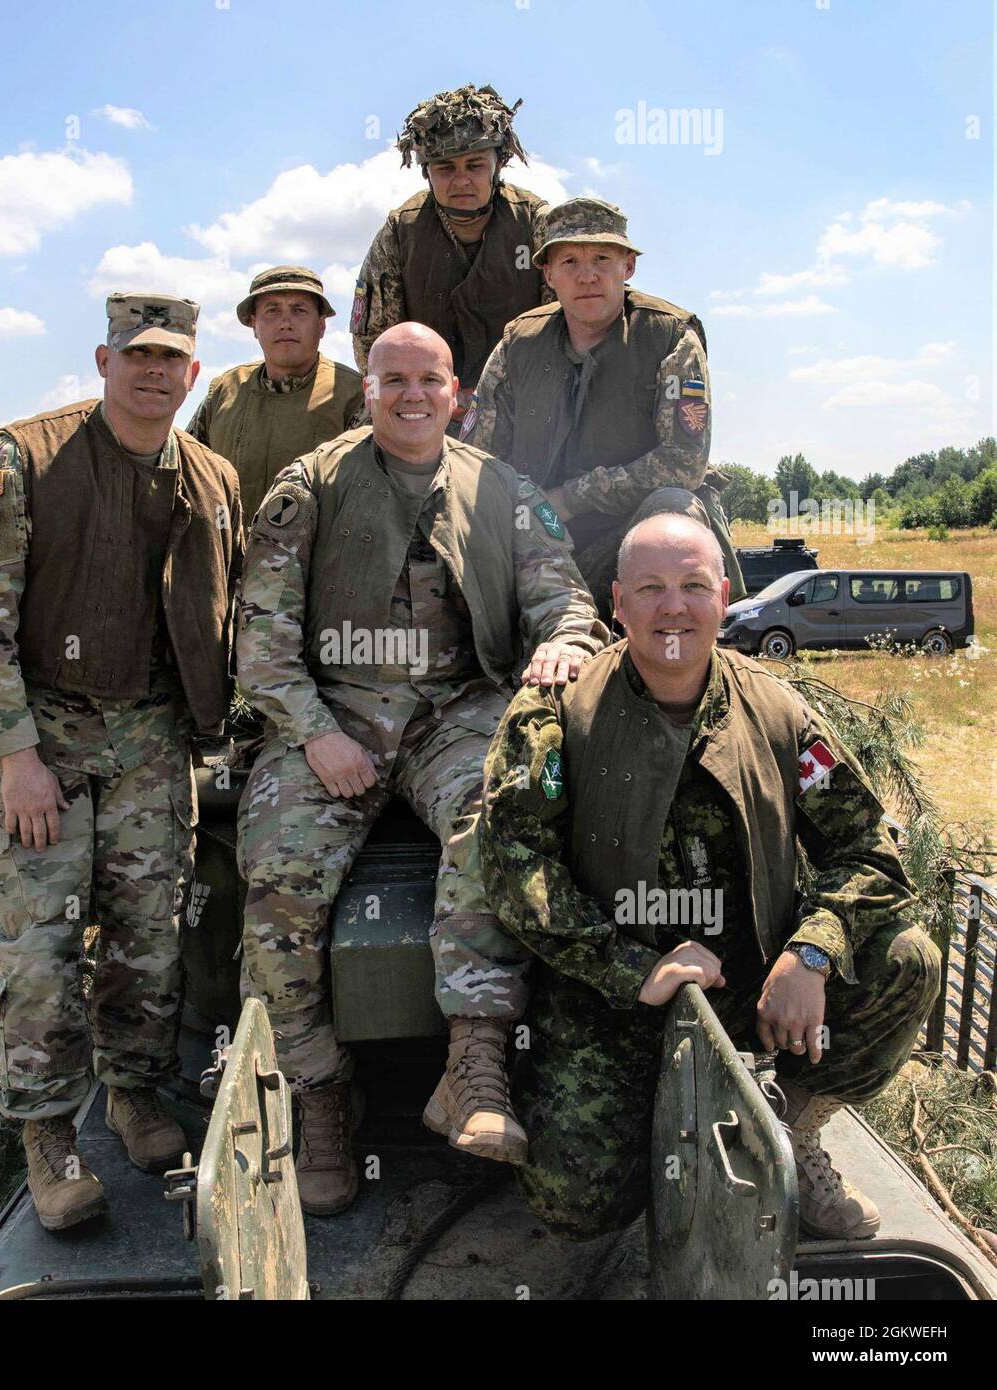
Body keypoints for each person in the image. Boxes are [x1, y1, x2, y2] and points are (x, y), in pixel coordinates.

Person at [480, 512, 939, 1244]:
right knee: (574, 1207)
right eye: (652, 588)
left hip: (754, 987)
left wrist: (811, 953)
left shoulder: (778, 709)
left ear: (724, 596)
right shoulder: (558, 711)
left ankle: (789, 1129)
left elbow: (869, 846)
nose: (674, 608)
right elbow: (513, 869)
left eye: (694, 586)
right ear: (617, 602)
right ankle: (676, 1129)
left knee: (907, 957)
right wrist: (633, 968)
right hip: (613, 999)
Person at [237, 320, 608, 1216]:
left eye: (428, 380)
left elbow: (564, 594)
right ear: (367, 388)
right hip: (334, 713)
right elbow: (261, 642)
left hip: (457, 707)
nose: (411, 395)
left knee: (503, 813)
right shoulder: (312, 486)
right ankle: (318, 1092)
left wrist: (563, 642)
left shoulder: (503, 491)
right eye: (392, 378)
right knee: (280, 880)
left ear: (456, 394)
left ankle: (474, 1064)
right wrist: (314, 732)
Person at [0, 293, 243, 1231]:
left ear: (194, 376)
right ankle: (48, 1137)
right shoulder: (24, 459)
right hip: (48, 740)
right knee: (38, 949)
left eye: (172, 360)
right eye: (136, 355)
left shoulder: (211, 476)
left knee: (150, 938)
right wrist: (13, 759)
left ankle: (136, 1094)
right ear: (103, 361)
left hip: (154, 737)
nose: (154, 373)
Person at [462, 196, 746, 621]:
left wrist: (572, 496)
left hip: (636, 531)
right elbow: (478, 460)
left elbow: (682, 465)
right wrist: (527, 509)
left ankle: (688, 648)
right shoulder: (518, 343)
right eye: (570, 262)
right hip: (543, 531)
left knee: (676, 504)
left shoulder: (669, 336)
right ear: (548, 273)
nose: (587, 275)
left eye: (601, 258)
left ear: (628, 266)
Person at [352, 84, 549, 430]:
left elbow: (565, 327)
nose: (461, 181)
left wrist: (496, 399)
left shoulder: (534, 223)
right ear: (427, 172)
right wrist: (431, 397)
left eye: (474, 166)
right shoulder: (402, 231)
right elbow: (373, 344)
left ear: (498, 163)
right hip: (425, 407)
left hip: (524, 405)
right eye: (445, 169)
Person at [187, 266, 365, 517]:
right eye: (272, 311)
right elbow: (189, 469)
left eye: (299, 310)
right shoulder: (224, 391)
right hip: (229, 552)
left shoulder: (354, 395)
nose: (285, 323)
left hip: (317, 554)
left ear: (321, 326)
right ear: (254, 326)